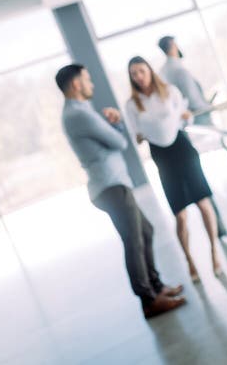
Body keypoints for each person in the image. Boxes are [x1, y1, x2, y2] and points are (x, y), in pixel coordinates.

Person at [56, 64, 186, 319]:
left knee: (145, 232)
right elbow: (119, 142)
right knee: (133, 241)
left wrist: (111, 125)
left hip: (115, 183)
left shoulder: (79, 111)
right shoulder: (78, 114)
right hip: (110, 186)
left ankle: (157, 287)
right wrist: (116, 124)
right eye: (87, 79)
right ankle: (149, 301)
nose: (91, 83)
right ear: (76, 84)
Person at [124, 56, 223, 283]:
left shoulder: (169, 91)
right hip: (162, 157)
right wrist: (140, 135)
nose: (138, 76)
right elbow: (135, 135)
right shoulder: (132, 105)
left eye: (141, 71)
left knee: (203, 204)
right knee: (180, 215)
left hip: (183, 149)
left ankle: (214, 252)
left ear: (149, 70)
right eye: (134, 74)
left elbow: (184, 118)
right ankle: (189, 260)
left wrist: (186, 117)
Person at [158, 35, 227, 237]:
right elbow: (194, 100)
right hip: (194, 129)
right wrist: (208, 108)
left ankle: (217, 225)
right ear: (172, 46)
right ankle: (218, 225)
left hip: (183, 131)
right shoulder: (178, 70)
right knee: (201, 183)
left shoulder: (163, 72)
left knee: (197, 182)